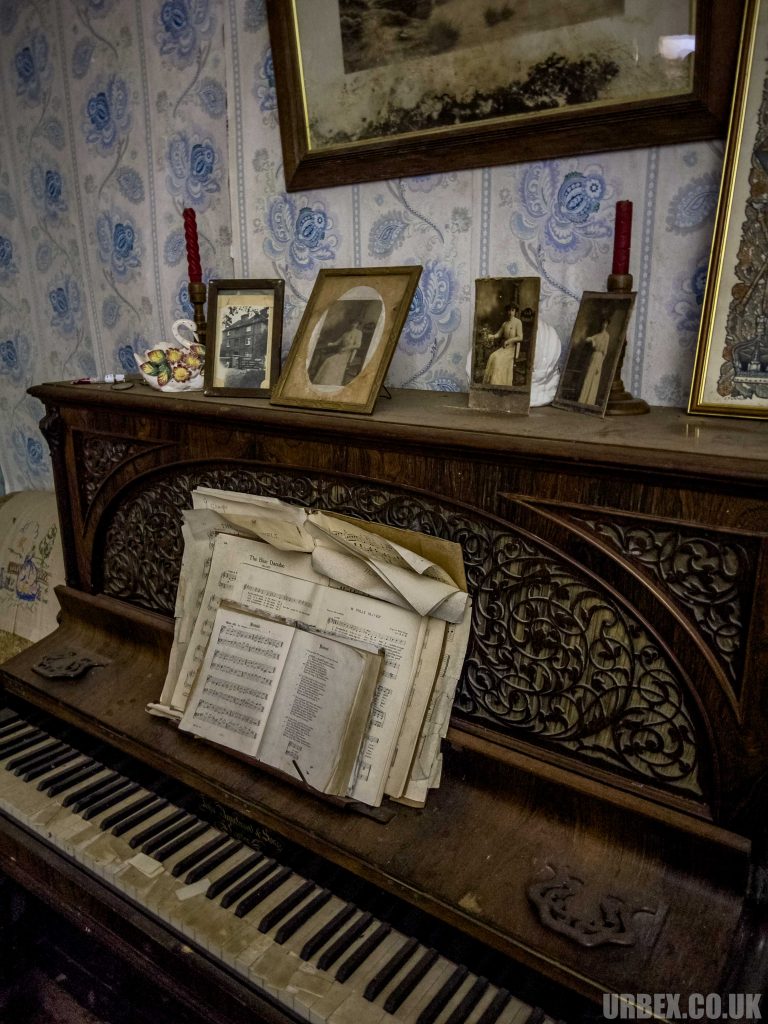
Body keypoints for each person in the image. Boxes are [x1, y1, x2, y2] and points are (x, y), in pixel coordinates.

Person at [312, 319, 363, 386]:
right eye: (352, 323)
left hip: (349, 354)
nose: (353, 325)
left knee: (331, 362)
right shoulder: (345, 333)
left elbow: (358, 345)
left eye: (355, 323)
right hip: (340, 353)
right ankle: (325, 382)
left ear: (358, 324)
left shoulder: (359, 333)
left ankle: (331, 382)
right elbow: (337, 343)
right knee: (328, 360)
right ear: (350, 324)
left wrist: (346, 348)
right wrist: (330, 344)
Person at [482, 305, 523, 386]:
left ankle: (501, 384)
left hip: (513, 349)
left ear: (515, 312)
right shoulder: (505, 324)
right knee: (492, 356)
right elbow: (498, 334)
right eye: (509, 310)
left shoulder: (518, 322)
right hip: (505, 348)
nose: (510, 312)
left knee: (498, 359)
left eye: (512, 310)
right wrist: (492, 336)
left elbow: (520, 337)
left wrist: (509, 340)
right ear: (507, 311)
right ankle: (494, 383)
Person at [578, 317, 611, 405]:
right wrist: (593, 340)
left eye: (606, 323)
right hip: (593, 356)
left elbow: (605, 352)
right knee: (588, 377)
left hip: (599, 358)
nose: (604, 325)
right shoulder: (597, 335)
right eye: (603, 323)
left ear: (607, 325)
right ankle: (583, 400)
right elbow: (587, 339)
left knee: (594, 379)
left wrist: (600, 365)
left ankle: (590, 401)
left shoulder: (606, 336)